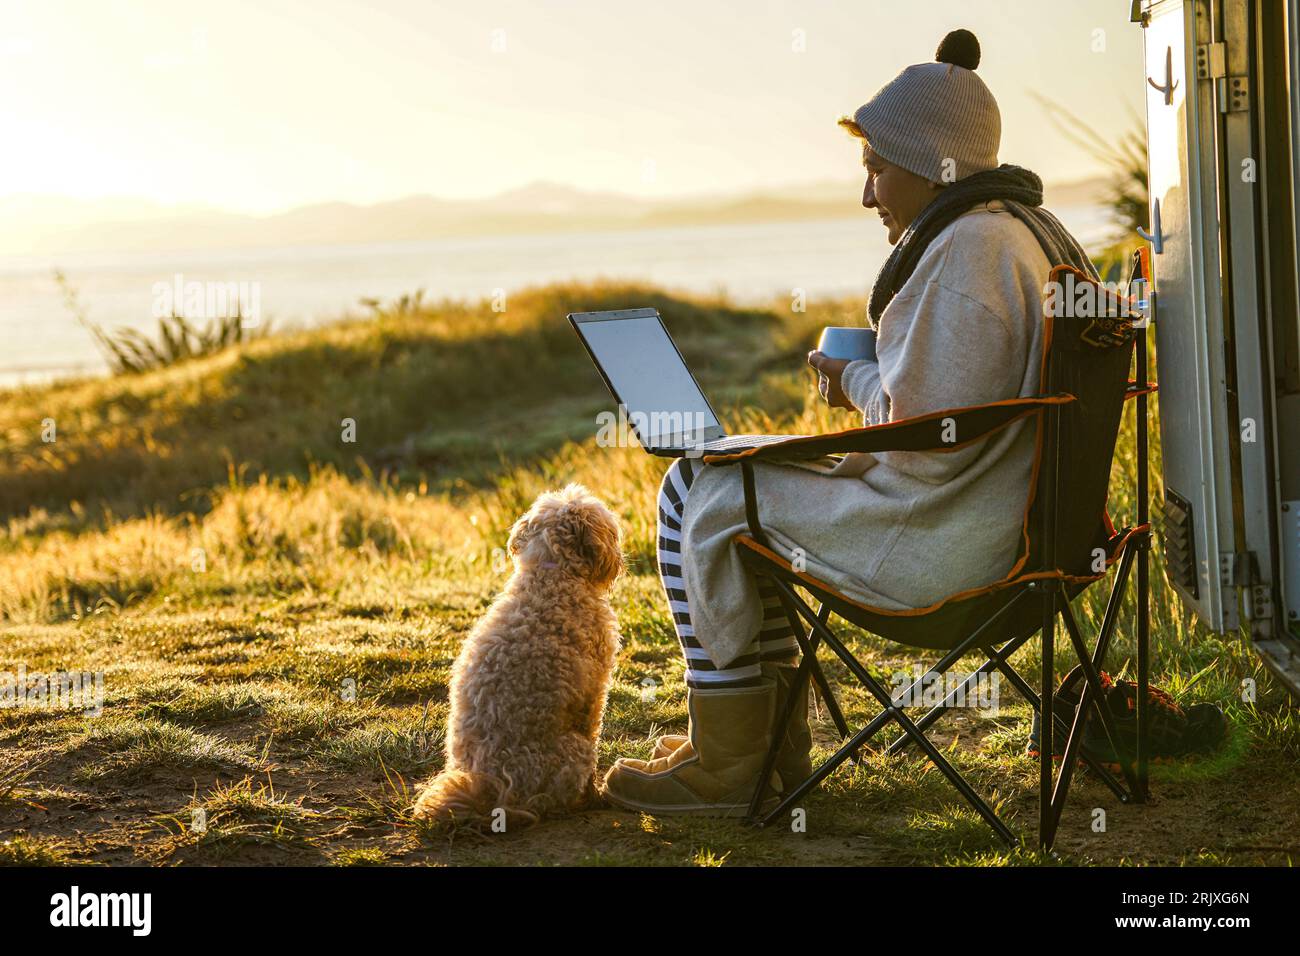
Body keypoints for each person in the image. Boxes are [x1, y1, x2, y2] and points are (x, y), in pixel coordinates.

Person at [602, 29, 1099, 816]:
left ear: (933, 164)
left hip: (943, 547)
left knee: (695, 481)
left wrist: (851, 379)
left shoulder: (971, 252)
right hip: (1012, 532)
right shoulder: (1027, 235)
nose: (868, 194)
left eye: (876, 168)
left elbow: (928, 436)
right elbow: (957, 406)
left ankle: (730, 765)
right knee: (732, 482)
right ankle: (758, 745)